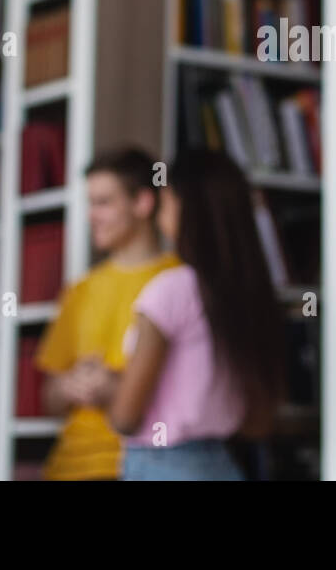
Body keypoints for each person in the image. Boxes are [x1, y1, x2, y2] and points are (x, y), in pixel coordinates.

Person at [92, 148, 286, 480]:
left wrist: (106, 386)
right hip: (221, 464)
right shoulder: (248, 295)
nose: (161, 216)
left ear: (190, 210)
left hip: (161, 465)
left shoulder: (172, 290)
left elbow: (125, 417)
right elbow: (258, 420)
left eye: (166, 203)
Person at [34, 146, 180, 480]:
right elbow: (49, 399)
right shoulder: (80, 290)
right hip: (68, 468)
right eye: (90, 203)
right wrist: (69, 387)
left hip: (143, 462)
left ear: (143, 203)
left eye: (103, 202)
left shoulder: (179, 280)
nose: (91, 215)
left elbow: (192, 389)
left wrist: (117, 387)